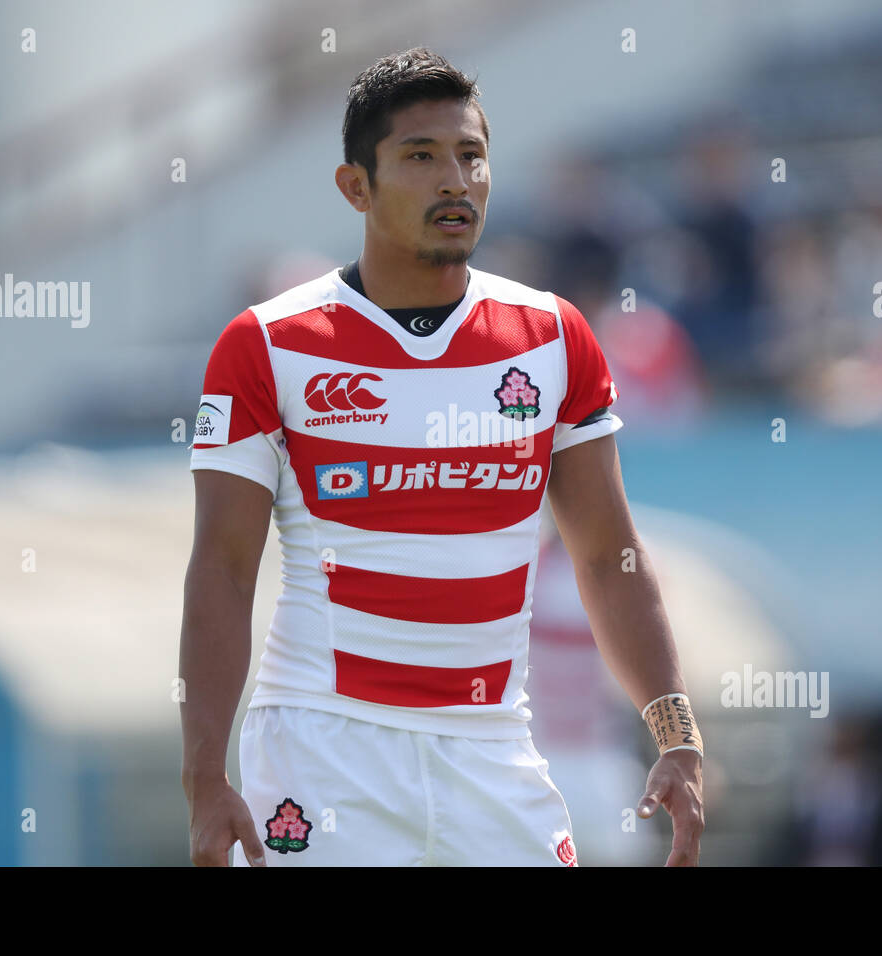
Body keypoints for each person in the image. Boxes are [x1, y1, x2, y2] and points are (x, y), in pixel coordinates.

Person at [178, 47, 703, 866]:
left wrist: (676, 730)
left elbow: (608, 555)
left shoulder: (553, 337)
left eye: (471, 155)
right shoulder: (269, 344)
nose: (455, 180)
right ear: (357, 186)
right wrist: (205, 779)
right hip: (321, 752)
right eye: (420, 157)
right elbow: (222, 566)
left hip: (494, 746)